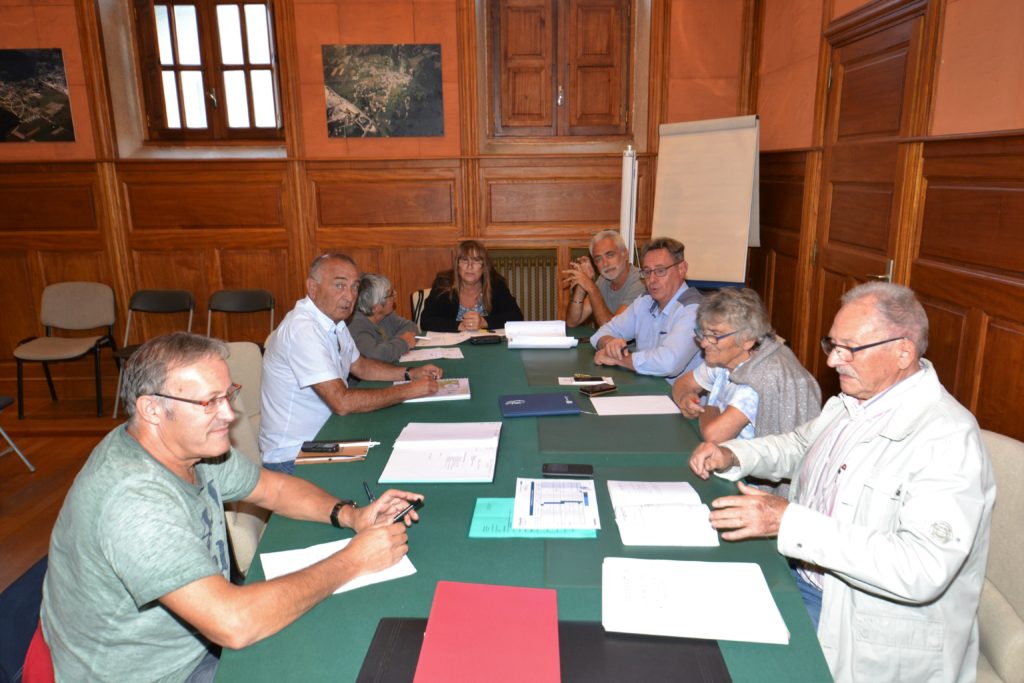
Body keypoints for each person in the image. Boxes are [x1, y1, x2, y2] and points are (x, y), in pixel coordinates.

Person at [39, 333, 423, 682]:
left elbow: (272, 489)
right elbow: (234, 623)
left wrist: (351, 515)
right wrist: (354, 561)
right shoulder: (134, 503)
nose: (229, 414)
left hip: (197, 643)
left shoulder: (188, 447)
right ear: (152, 410)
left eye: (228, 395)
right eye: (209, 402)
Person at [689, 282, 995, 682]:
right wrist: (735, 454)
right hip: (804, 579)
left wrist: (788, 521)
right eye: (832, 345)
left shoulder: (947, 437)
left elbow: (921, 568)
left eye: (849, 348)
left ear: (903, 351)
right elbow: (800, 445)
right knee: (693, 620)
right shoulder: (853, 402)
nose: (833, 360)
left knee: (721, 663)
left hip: (863, 624)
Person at [260, 254, 442, 473]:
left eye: (355, 287)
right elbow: (342, 402)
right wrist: (409, 390)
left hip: (328, 438)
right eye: (339, 285)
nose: (349, 296)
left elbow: (361, 366)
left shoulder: (334, 322)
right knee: (390, 464)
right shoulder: (303, 329)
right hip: (295, 455)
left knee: (402, 452)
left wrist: (409, 373)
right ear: (312, 288)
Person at [672, 288, 820, 444]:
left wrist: (709, 407)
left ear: (747, 340)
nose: (703, 343)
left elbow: (714, 435)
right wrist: (685, 398)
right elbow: (682, 383)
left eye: (715, 335)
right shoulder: (724, 360)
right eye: (704, 333)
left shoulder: (760, 378)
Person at [590, 237, 703, 380]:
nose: (652, 280)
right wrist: (610, 344)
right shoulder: (645, 301)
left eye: (660, 271)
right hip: (644, 385)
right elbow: (603, 332)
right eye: (647, 272)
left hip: (676, 393)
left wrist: (619, 359)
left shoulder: (695, 310)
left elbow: (668, 364)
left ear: (682, 269)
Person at [420, 240, 524, 333]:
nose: (470, 266)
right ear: (457, 265)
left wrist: (484, 322)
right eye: (465, 260)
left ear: (484, 266)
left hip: (486, 344)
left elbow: (516, 317)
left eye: (476, 260)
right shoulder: (443, 284)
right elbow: (426, 321)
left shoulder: (496, 284)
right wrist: (459, 325)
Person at [563, 229, 645, 327]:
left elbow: (615, 330)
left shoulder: (641, 282)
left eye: (610, 255)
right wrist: (581, 285)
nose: (605, 264)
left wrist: (591, 288)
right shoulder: (604, 279)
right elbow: (572, 322)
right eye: (599, 259)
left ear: (625, 254)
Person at [348, 273, 419, 363]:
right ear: (376, 306)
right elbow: (375, 356)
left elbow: (410, 326)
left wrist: (393, 345)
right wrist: (402, 343)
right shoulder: (355, 325)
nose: (395, 294)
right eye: (390, 294)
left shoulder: (385, 315)